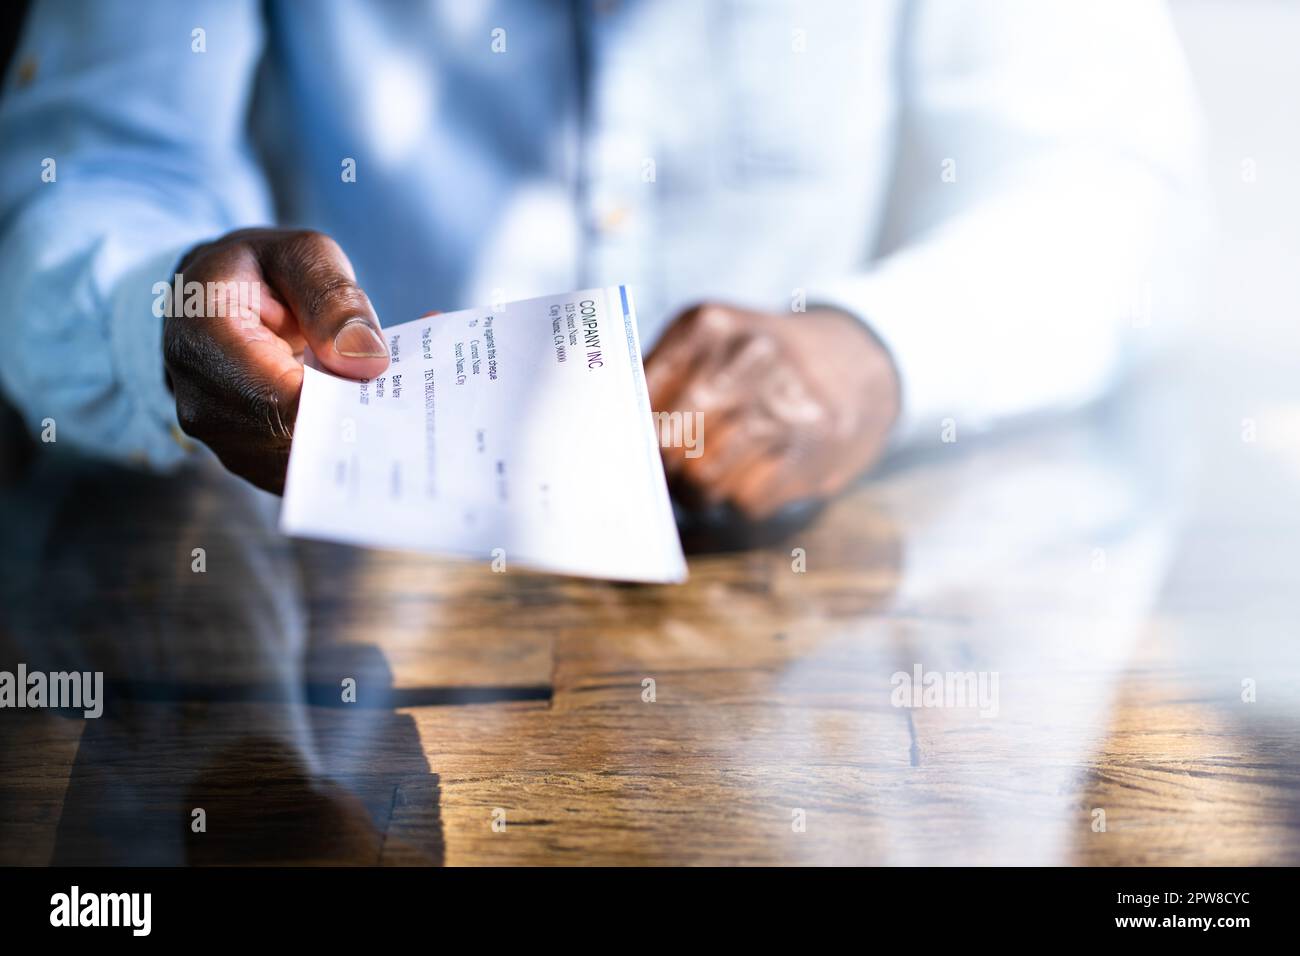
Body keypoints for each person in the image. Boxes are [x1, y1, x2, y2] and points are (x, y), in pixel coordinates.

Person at [0, 0, 1203, 518]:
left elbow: (1104, 180)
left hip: (791, 632)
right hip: (312, 615)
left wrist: (872, 351)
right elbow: (97, 162)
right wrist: (156, 308)